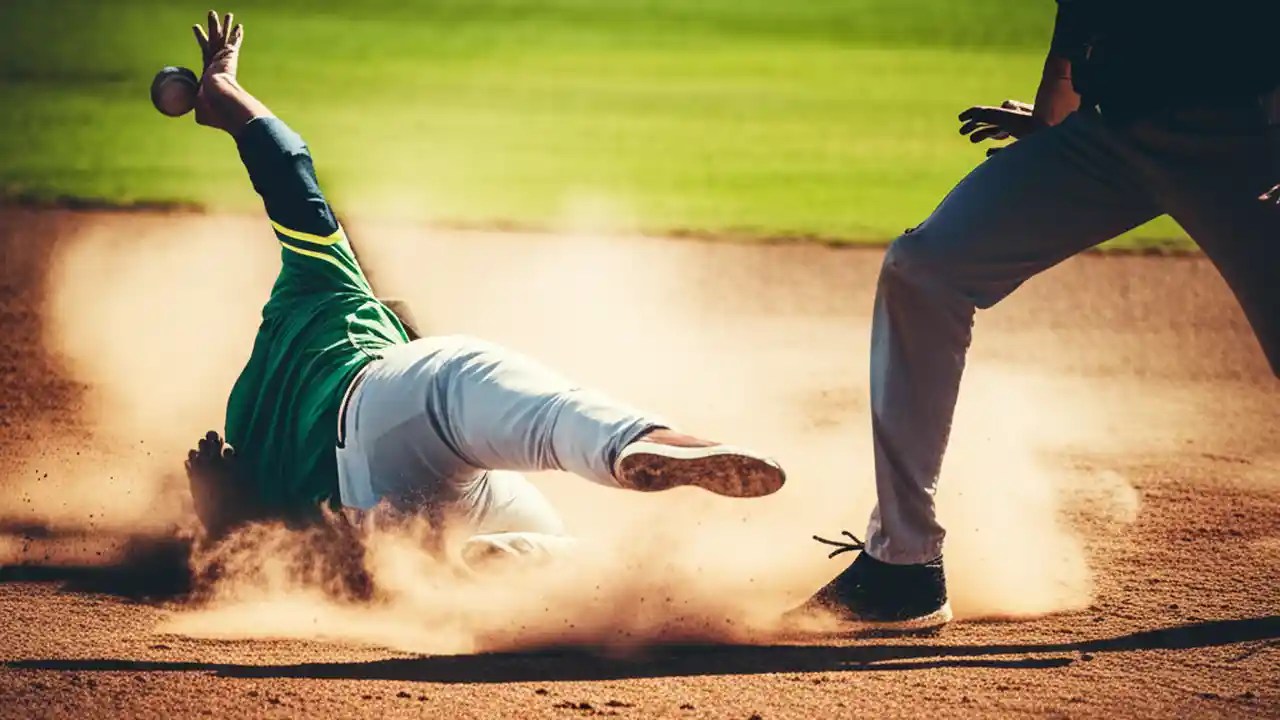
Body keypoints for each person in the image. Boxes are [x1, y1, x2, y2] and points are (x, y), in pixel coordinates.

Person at [180, 11, 785, 561]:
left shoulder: (250, 438)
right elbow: (290, 169)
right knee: (538, 411)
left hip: (376, 530)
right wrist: (226, 94)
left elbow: (263, 559)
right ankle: (638, 441)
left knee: (555, 548)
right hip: (385, 410)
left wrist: (220, 521)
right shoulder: (325, 284)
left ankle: (515, 565)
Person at [798, 0, 1280, 629]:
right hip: (1110, 136)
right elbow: (1080, 20)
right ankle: (903, 565)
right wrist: (1054, 119)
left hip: (1250, 141)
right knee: (927, 267)